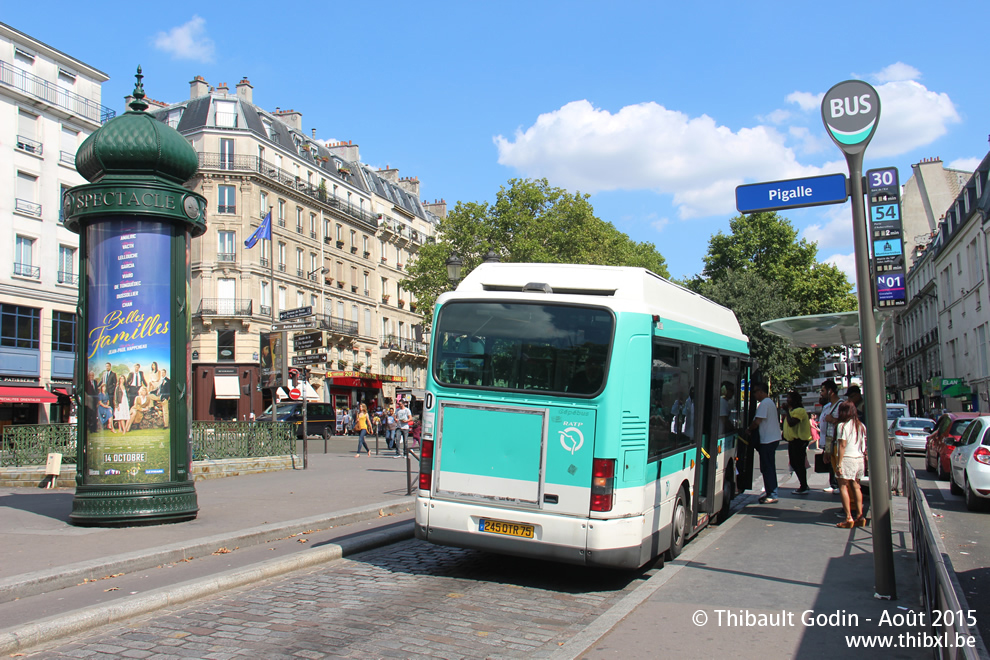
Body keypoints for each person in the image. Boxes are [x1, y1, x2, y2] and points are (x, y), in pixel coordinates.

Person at [746, 381, 781, 504]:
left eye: (755, 392)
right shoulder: (770, 403)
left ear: (761, 391)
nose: (754, 395)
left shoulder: (764, 404)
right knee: (769, 466)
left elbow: (757, 421)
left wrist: (749, 429)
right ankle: (771, 492)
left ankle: (772, 494)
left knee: (767, 467)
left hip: (767, 440)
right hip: (772, 438)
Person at [834, 400, 868, 528]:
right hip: (859, 458)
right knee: (856, 486)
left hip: (847, 458)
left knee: (843, 486)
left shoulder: (842, 426)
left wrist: (838, 464)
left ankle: (848, 517)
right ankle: (860, 516)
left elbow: (842, 445)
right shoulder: (861, 426)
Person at [781, 391, 812, 494]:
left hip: (799, 441)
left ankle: (803, 485)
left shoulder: (799, 411)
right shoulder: (791, 411)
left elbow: (792, 423)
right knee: (794, 463)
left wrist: (786, 411)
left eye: (789, 398)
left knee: (798, 463)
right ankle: (803, 484)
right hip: (793, 441)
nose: (787, 400)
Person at [818, 379, 844, 493]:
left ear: (830, 391)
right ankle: (836, 485)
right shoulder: (829, 406)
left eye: (823, 391)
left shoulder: (841, 405)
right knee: (832, 467)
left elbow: (845, 424)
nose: (821, 393)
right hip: (830, 442)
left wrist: (833, 420)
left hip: (839, 443)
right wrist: (827, 450)